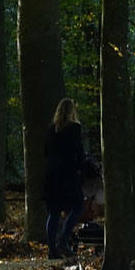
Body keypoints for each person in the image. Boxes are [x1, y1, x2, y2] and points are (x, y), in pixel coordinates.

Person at [44, 98, 87, 259]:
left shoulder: (51, 129)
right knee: (78, 207)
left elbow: (45, 152)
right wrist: (81, 172)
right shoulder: (75, 128)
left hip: (51, 176)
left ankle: (51, 249)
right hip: (68, 175)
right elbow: (79, 152)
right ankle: (63, 240)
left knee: (53, 212)